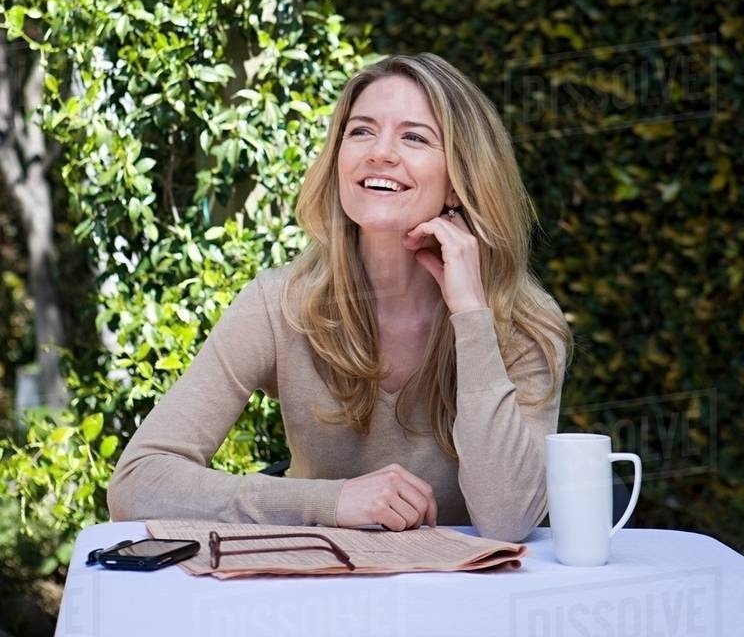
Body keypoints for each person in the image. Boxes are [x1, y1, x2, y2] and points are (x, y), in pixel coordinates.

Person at [107, 52, 572, 541]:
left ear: (459, 182)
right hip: (312, 601)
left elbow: (510, 519)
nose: (380, 153)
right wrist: (332, 501)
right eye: (361, 131)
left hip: (458, 607)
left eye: (414, 137)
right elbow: (139, 482)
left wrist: (471, 315)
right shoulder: (279, 304)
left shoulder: (523, 323)